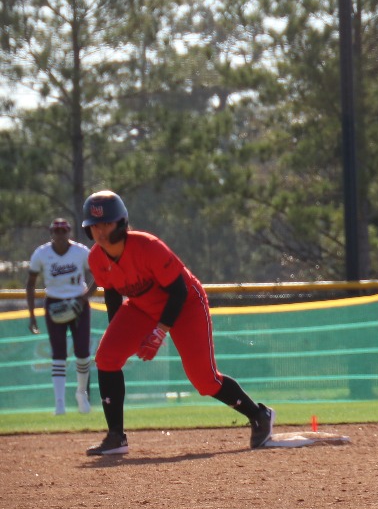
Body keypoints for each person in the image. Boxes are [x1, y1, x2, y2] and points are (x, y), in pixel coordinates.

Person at [78, 190, 275, 456]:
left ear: (121, 223)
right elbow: (113, 293)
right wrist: (119, 334)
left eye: (106, 223)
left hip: (185, 306)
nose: (100, 231)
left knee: (204, 381)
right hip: (141, 307)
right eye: (94, 226)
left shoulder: (148, 246)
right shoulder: (96, 258)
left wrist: (159, 333)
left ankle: (258, 415)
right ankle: (116, 437)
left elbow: (179, 292)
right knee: (107, 356)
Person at [27, 218, 96, 415]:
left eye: (63, 231)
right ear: (51, 233)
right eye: (56, 231)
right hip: (55, 302)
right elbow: (30, 284)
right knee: (58, 354)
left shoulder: (81, 251)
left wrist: (84, 299)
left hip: (78, 303)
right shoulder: (41, 253)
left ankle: (81, 393)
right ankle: (59, 404)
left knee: (82, 352)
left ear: (69, 233)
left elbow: (97, 277)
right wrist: (32, 315)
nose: (60, 235)